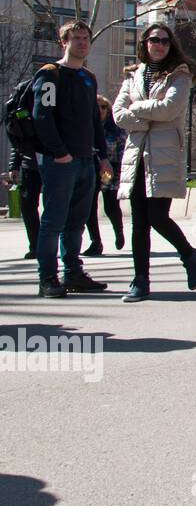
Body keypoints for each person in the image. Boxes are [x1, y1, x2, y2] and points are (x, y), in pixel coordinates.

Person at [113, 23, 196, 303]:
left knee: (157, 217)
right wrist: (144, 117)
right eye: (155, 40)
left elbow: (170, 109)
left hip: (164, 156)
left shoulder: (180, 74)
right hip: (136, 155)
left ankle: (188, 253)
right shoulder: (133, 75)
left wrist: (136, 110)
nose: (160, 45)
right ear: (145, 43)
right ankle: (140, 280)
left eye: (165, 41)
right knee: (138, 221)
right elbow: (117, 114)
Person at [31, 21, 111, 298]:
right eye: (75, 38)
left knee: (77, 222)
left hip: (85, 161)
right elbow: (42, 117)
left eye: (86, 38)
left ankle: (73, 273)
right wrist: (59, 152)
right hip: (60, 162)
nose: (82, 42)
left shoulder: (88, 77)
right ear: (63, 42)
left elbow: (94, 121)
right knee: (53, 221)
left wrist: (102, 156)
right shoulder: (50, 74)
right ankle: (48, 278)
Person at [84, 95, 126, 255]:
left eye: (103, 107)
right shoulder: (85, 126)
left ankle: (119, 231)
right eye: (96, 107)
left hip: (110, 170)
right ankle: (96, 242)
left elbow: (122, 150)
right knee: (89, 206)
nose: (100, 110)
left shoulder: (115, 128)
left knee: (110, 204)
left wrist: (119, 170)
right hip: (90, 169)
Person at [4, 141, 40, 259]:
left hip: (56, 162)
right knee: (28, 207)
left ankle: (54, 247)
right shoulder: (20, 122)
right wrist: (13, 165)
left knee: (56, 208)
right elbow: (18, 140)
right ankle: (36, 246)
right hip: (29, 165)